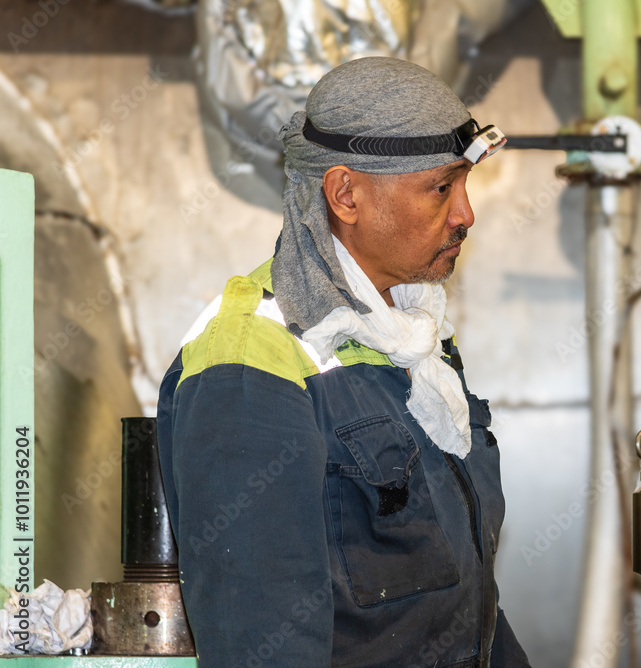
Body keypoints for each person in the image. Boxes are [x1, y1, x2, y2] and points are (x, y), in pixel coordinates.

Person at [156, 57, 529, 667]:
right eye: (441, 188)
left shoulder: (414, 341)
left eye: (465, 185)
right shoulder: (253, 364)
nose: (465, 214)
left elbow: (467, 603)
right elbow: (262, 643)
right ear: (345, 195)